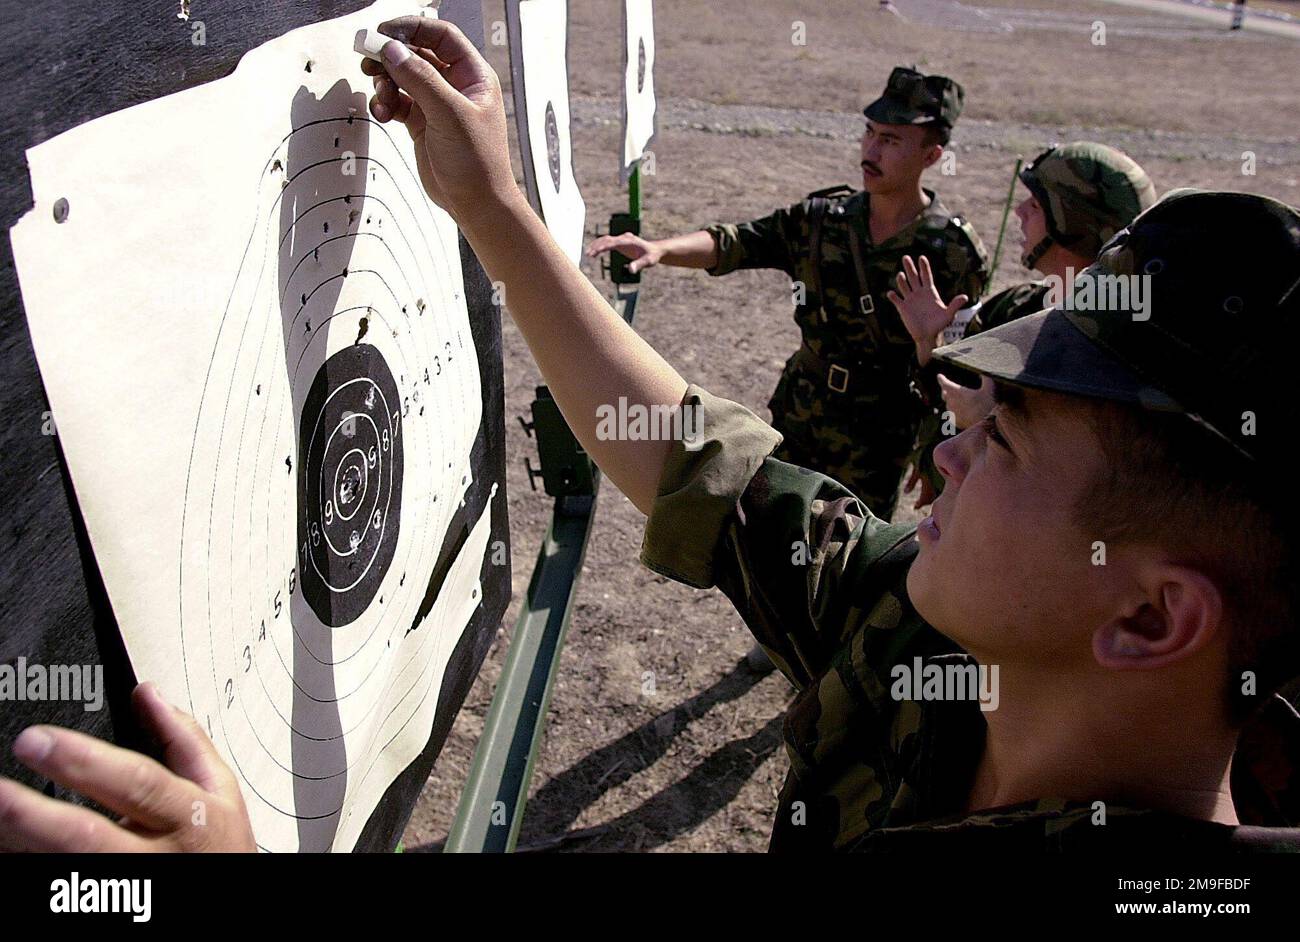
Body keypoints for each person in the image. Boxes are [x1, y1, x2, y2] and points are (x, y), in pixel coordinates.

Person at [5, 18, 1298, 854]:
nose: (949, 446)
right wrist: (498, 213)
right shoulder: (927, 621)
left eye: (1005, 441)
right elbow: (692, 458)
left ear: (1142, 619)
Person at [587, 66, 988, 521]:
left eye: (891, 140)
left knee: (848, 558)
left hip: (879, 439)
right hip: (802, 416)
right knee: (776, 544)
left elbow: (961, 372)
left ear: (932, 155)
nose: (871, 150)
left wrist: (936, 446)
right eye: (869, 132)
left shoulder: (953, 253)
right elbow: (736, 242)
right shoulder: (823, 221)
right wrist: (660, 249)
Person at [889, 142, 1157, 501]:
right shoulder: (1015, 310)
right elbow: (947, 399)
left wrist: (995, 422)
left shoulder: (1123, 348)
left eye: (1035, 205)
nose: (1019, 211)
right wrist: (928, 346)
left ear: (1070, 224)